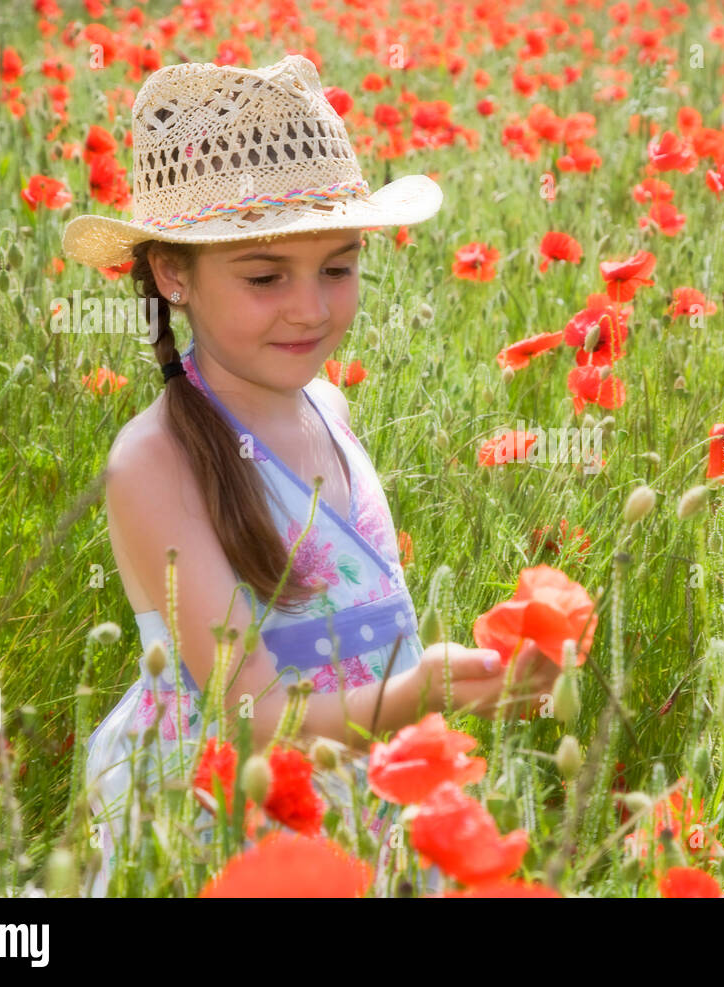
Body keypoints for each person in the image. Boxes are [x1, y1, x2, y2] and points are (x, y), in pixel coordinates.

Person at [61, 54, 560, 897]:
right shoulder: (153, 463)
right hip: (234, 810)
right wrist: (420, 692)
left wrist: (456, 685)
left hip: (364, 781)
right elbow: (253, 717)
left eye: (338, 266)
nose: (312, 307)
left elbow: (367, 634)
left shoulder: (329, 406)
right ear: (172, 273)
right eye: (265, 276)